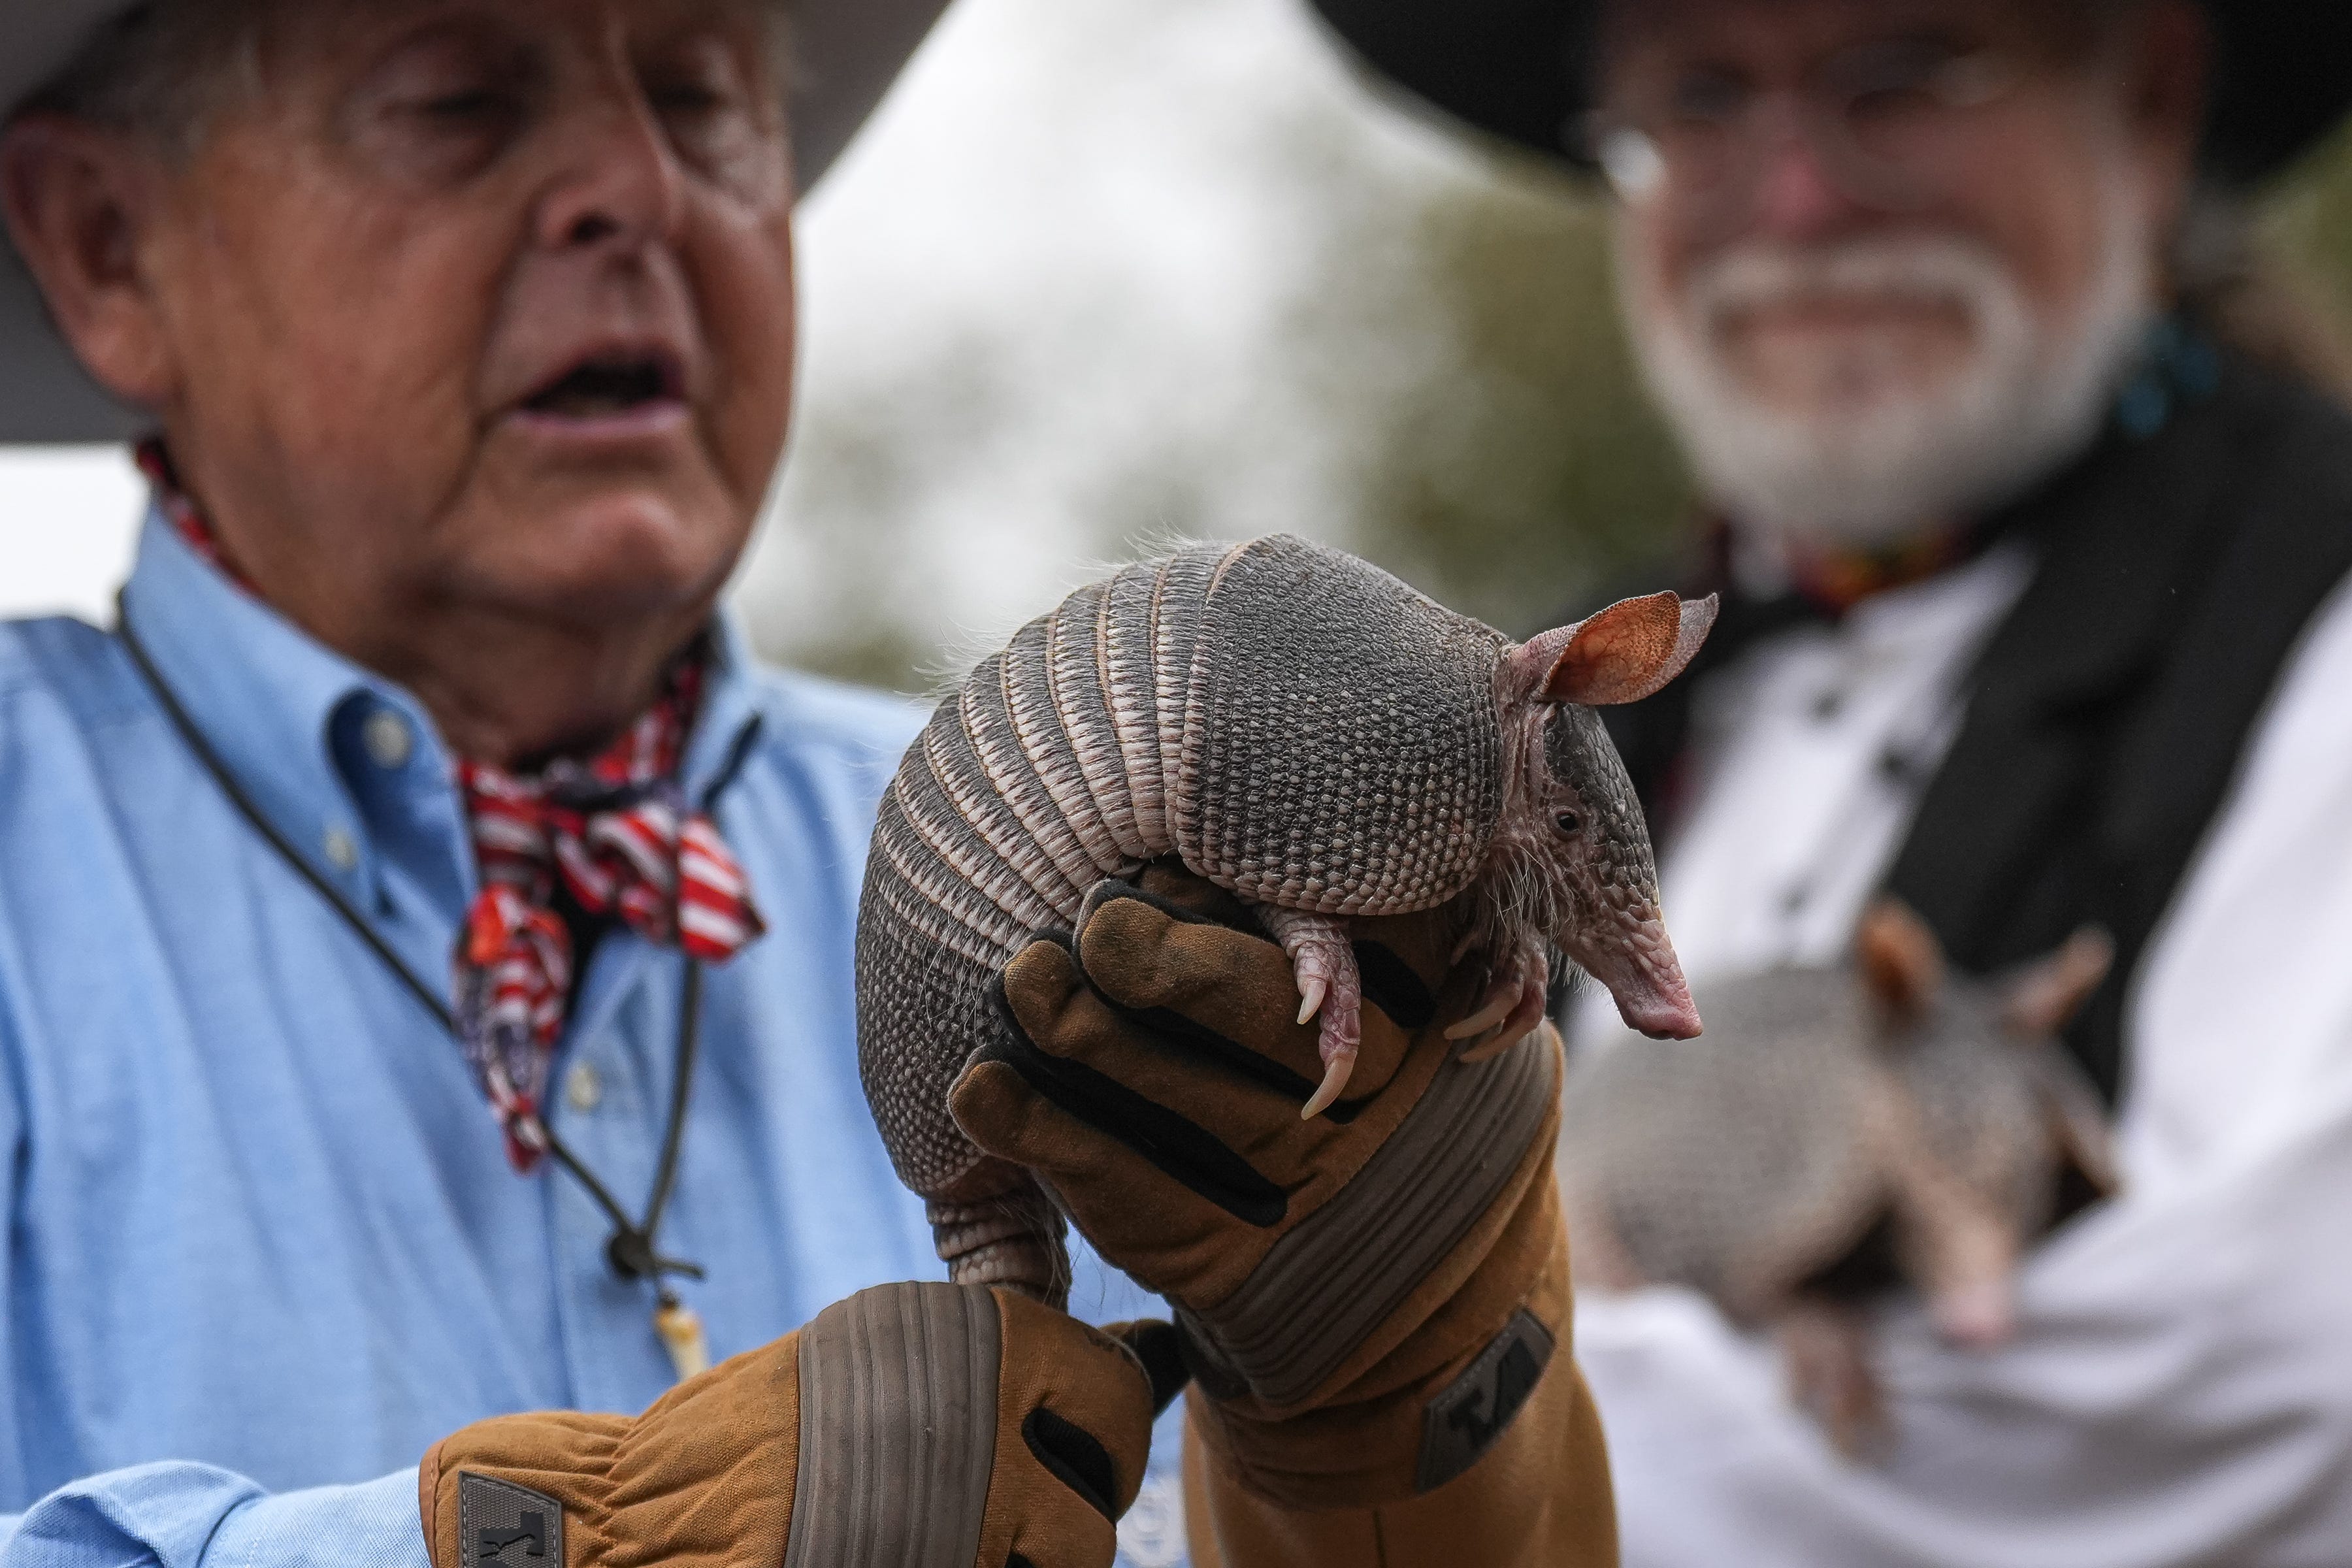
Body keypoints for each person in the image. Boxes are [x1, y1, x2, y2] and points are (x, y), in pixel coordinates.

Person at [0, 3, 1621, 1565]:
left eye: (703, 100)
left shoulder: (1086, 855)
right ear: (104, 242)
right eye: (458, 105)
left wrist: (1398, 1419)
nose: (635, 192)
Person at [1309, 0, 2352, 1560]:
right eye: (1704, 102)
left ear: (2148, 100)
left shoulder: (2316, 624)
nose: (1797, 202)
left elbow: (2277, 1360)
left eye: (1906, 75)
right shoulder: (1575, 720)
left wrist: (1363, 1465)